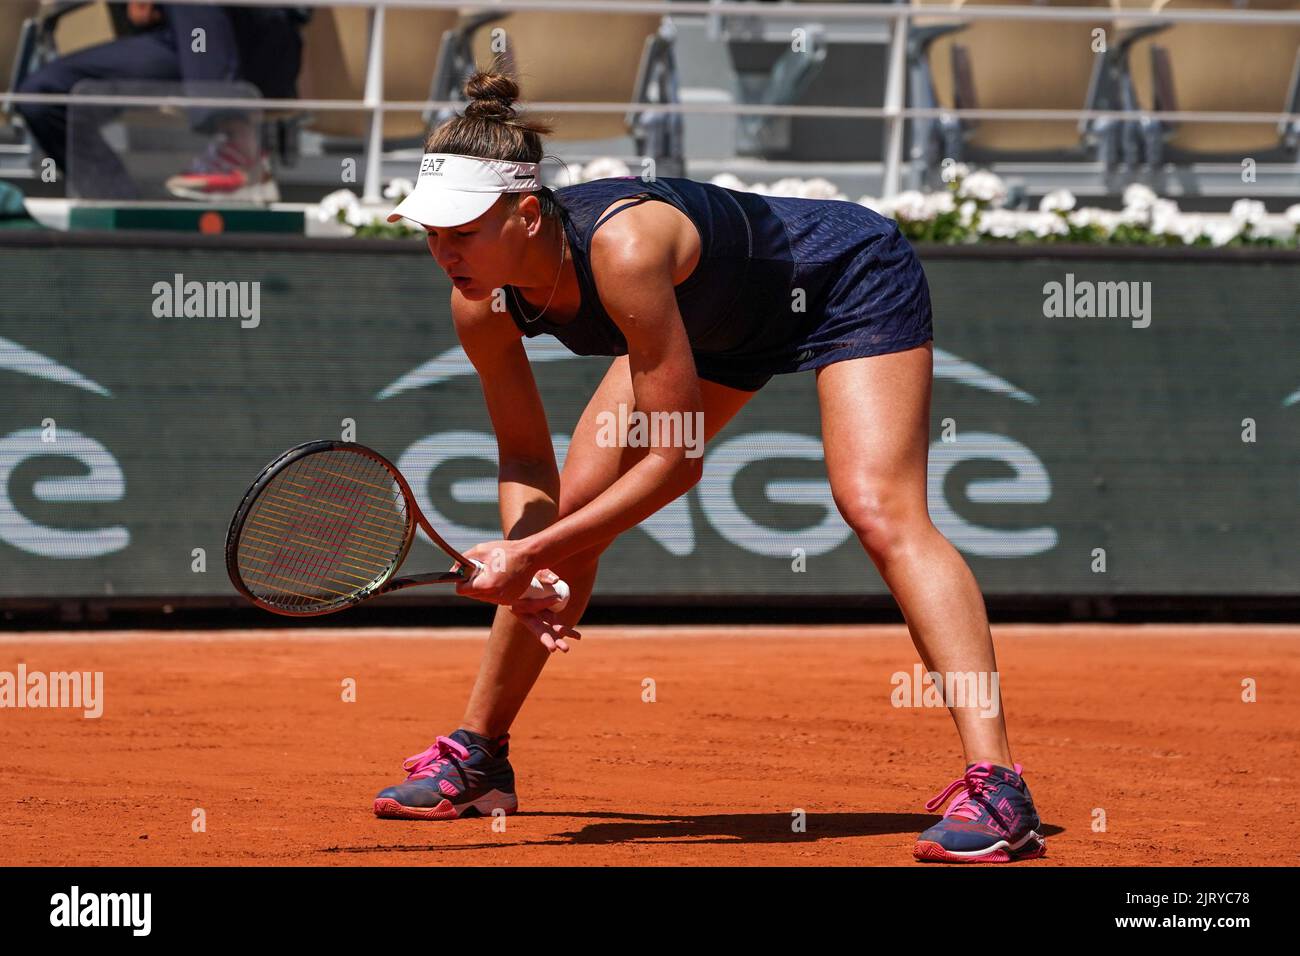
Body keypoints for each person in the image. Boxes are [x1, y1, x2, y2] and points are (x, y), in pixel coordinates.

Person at [374, 68, 1047, 864]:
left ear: (526, 215)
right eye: (431, 232)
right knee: (571, 519)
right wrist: (530, 552)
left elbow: (677, 462)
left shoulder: (621, 250)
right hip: (703, 326)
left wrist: (528, 556)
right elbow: (526, 457)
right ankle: (481, 756)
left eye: (462, 232)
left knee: (876, 506)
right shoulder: (478, 301)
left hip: (843, 281)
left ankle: (1000, 786)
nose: (442, 252)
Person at [15, 3, 303, 200]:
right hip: (179, 40)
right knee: (42, 96)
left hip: (258, 37)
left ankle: (239, 152)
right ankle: (123, 215)